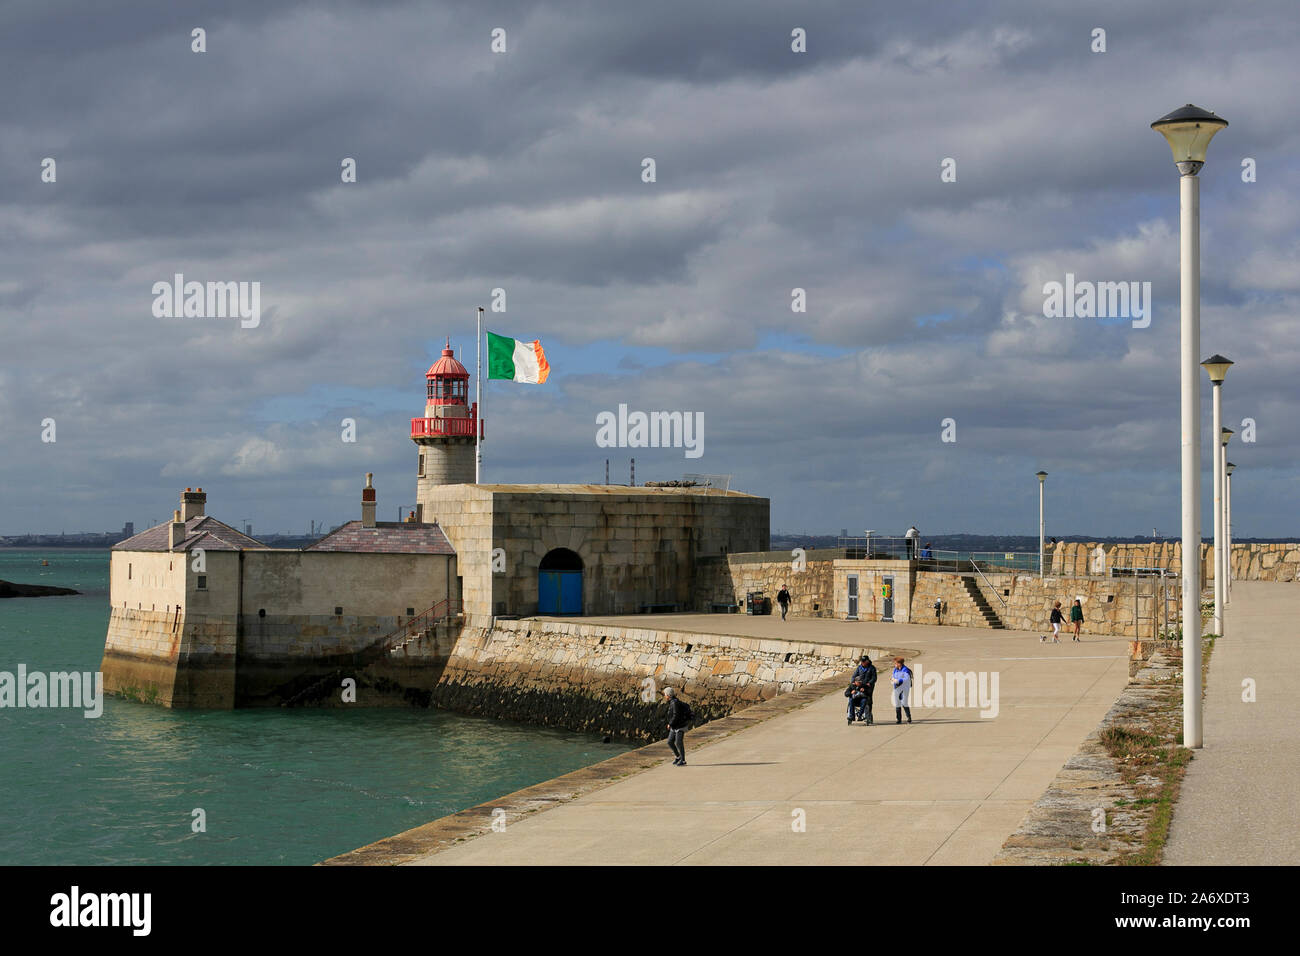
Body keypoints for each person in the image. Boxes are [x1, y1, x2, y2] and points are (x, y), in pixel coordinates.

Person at [663, 687, 692, 765]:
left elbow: (676, 715)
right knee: (669, 742)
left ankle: (683, 760)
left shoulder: (675, 703)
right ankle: (678, 757)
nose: (664, 696)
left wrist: (670, 724)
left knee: (679, 742)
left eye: (665, 694)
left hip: (680, 726)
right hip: (675, 726)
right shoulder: (672, 701)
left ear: (668, 695)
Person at [851, 654, 877, 723]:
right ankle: (856, 714)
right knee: (858, 697)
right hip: (860, 685)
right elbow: (854, 676)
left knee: (869, 699)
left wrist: (870, 683)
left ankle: (869, 714)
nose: (862, 663)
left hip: (868, 686)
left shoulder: (872, 668)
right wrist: (853, 683)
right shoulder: (859, 668)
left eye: (864, 661)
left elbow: (874, 678)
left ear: (867, 661)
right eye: (861, 661)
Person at [891, 657, 913, 724]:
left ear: (899, 664)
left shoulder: (905, 670)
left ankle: (909, 717)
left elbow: (906, 679)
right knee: (897, 703)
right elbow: (893, 677)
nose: (894, 664)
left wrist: (898, 680)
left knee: (904, 702)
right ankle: (898, 719)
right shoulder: (895, 669)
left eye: (895, 663)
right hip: (897, 687)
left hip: (904, 688)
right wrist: (893, 680)